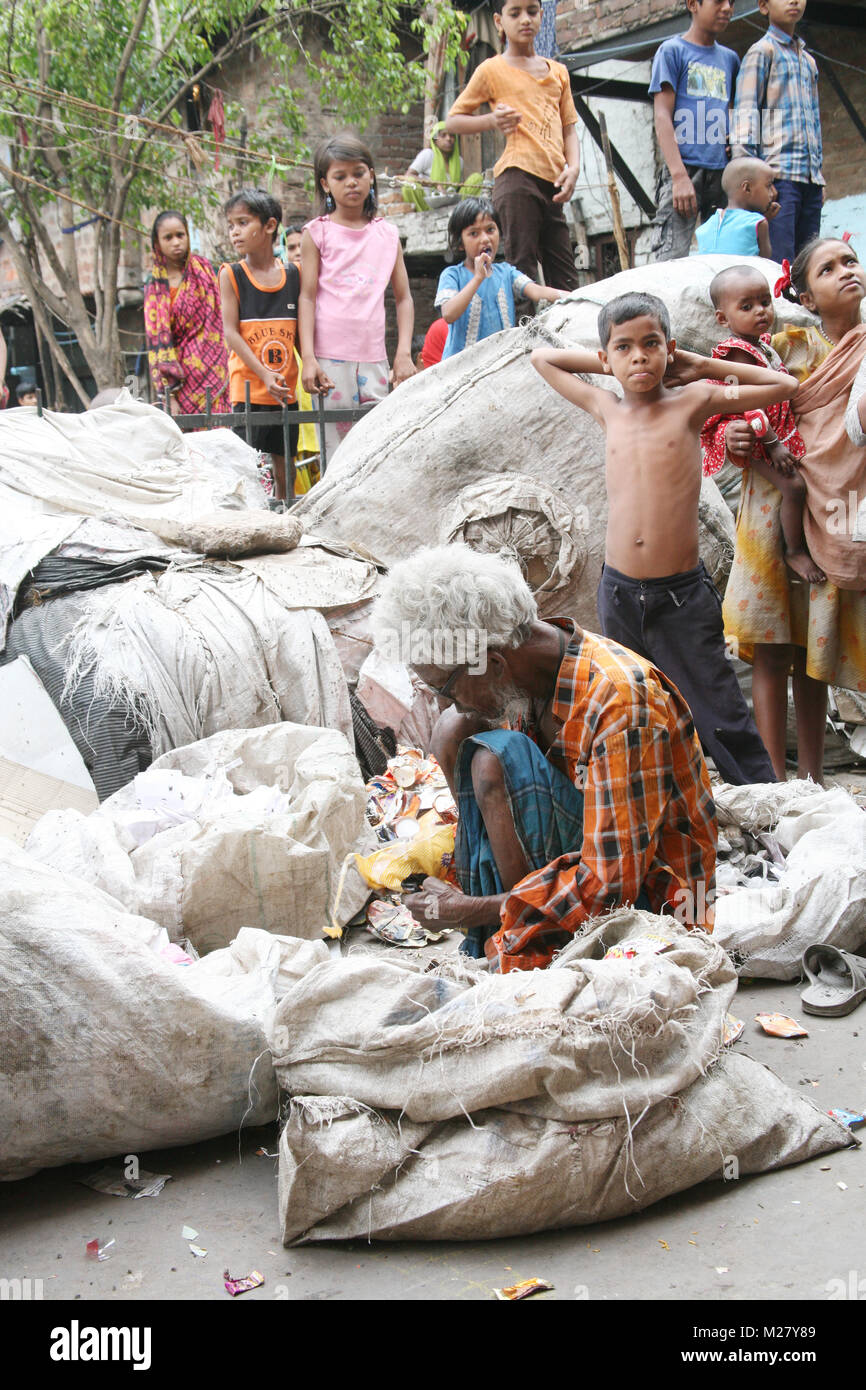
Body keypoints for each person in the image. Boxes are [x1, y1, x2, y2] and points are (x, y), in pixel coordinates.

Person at [371, 544, 718, 973]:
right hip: (587, 877)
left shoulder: (620, 704)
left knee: (492, 759)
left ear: (494, 663)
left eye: (447, 688)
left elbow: (613, 888)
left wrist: (470, 909)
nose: (453, 703)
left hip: (652, 906)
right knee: (454, 732)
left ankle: (519, 937)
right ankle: (512, 932)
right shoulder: (528, 678)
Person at [530, 291, 795, 786]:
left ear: (668, 348)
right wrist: (611, 364)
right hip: (618, 594)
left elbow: (783, 385)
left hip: (681, 597)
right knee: (633, 707)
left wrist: (697, 365)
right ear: (607, 358)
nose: (639, 357)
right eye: (624, 348)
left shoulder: (694, 401)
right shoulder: (606, 406)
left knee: (721, 713)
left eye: (651, 345)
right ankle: (661, 803)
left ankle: (767, 809)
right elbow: (542, 357)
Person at [723, 237, 866, 781]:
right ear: (805, 295)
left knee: (814, 649)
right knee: (772, 646)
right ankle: (773, 781)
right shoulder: (782, 348)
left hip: (838, 510)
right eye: (828, 268)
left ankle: (812, 776)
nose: (845, 272)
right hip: (774, 500)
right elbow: (735, 398)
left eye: (850, 261)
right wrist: (737, 429)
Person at [445, 0, 580, 292]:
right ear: (498, 21)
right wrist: (493, 120)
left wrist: (575, 168)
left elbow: (569, 129)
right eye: (515, 13)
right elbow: (453, 121)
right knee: (522, 274)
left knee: (568, 281)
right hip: (516, 178)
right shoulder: (492, 69)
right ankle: (523, 337)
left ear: (542, 16)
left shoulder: (558, 72)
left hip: (554, 185)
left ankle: (567, 337)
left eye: (532, 12)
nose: (525, 20)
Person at [701, 265, 821, 585]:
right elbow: (746, 404)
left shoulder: (760, 344)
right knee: (793, 486)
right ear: (723, 319)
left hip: (768, 427)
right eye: (746, 306)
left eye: (764, 302)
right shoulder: (738, 354)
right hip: (755, 435)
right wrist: (773, 444)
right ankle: (794, 550)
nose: (760, 311)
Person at [299, 135, 416, 462]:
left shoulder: (387, 235)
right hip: (328, 360)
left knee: (376, 450)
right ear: (325, 184)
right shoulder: (316, 233)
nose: (351, 182)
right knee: (334, 455)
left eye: (359, 173)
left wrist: (403, 353)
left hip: (374, 357)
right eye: (340, 176)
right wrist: (308, 358)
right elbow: (307, 298)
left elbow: (404, 298)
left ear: (371, 176)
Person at [219, 189, 299, 503]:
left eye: (242, 222)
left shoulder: (293, 276)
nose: (235, 231)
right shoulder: (232, 275)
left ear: (268, 226)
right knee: (249, 471)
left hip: (285, 390)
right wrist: (264, 374)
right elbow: (231, 334)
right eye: (231, 225)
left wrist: (312, 365)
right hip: (249, 389)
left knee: (285, 472)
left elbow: (301, 335)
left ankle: (287, 524)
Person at [731, 0, 823, 264]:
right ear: (763, 6)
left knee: (809, 266)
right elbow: (745, 117)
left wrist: (818, 175)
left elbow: (814, 123)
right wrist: (751, 185)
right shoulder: (762, 52)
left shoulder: (809, 62)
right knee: (780, 266)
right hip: (777, 181)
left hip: (810, 182)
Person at [649, 0, 740, 261]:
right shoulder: (672, 51)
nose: (726, 8)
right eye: (718, 1)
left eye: (731, 2)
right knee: (669, 261)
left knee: (726, 264)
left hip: (723, 175)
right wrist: (678, 177)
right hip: (685, 170)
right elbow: (662, 115)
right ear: (692, 4)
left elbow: (732, 111)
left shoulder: (730, 59)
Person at [436, 197, 568, 359]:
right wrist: (478, 278)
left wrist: (570, 296)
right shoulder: (452, 275)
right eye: (474, 233)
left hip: (500, 363)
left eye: (490, 230)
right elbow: (448, 314)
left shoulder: (506, 272)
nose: (485, 239)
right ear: (460, 243)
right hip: (461, 368)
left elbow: (537, 291)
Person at [143, 210, 230, 421]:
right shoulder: (155, 288)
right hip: (181, 386)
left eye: (180, 235)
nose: (176, 243)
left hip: (216, 373)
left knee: (220, 440)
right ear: (157, 241)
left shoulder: (204, 271)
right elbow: (158, 345)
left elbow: (222, 318)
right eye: (168, 237)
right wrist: (169, 394)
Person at [694, 157, 779, 257]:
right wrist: (764, 220)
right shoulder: (758, 223)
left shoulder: (705, 227)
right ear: (747, 188)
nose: (773, 193)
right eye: (768, 186)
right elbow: (765, 262)